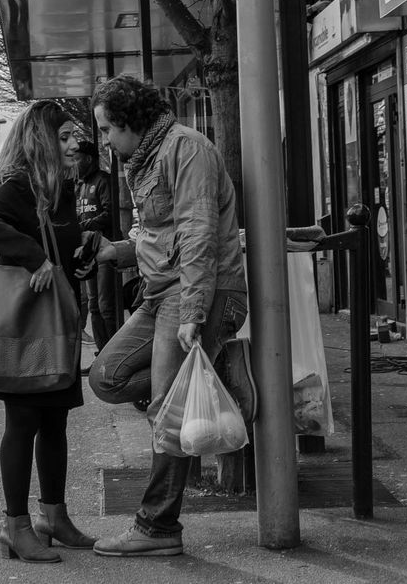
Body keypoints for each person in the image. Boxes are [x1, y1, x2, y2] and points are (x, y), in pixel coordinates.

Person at [87, 75, 253, 557]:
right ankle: (216, 374)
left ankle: (157, 527)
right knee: (106, 376)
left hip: (196, 291)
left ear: (129, 123)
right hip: (162, 294)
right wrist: (112, 252)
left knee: (166, 410)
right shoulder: (143, 160)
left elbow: (199, 234)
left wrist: (195, 312)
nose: (104, 140)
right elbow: (156, 234)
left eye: (106, 129)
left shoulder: (187, 150)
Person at [0, 100, 95, 564]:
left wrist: (77, 257)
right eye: (62, 137)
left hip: (54, 323)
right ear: (40, 141)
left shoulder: (58, 188)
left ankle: (54, 518)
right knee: (22, 423)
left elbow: (61, 250)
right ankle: (15, 527)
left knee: (56, 422)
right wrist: (33, 257)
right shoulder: (19, 185)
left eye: (73, 136)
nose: (72, 144)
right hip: (24, 327)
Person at [73, 136, 117, 359]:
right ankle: (103, 355)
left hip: (105, 251)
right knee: (94, 306)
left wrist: (85, 225)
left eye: (77, 159)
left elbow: (110, 213)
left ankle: (115, 355)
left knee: (106, 305)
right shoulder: (78, 186)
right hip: (88, 253)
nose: (73, 163)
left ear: (88, 159)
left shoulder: (103, 181)